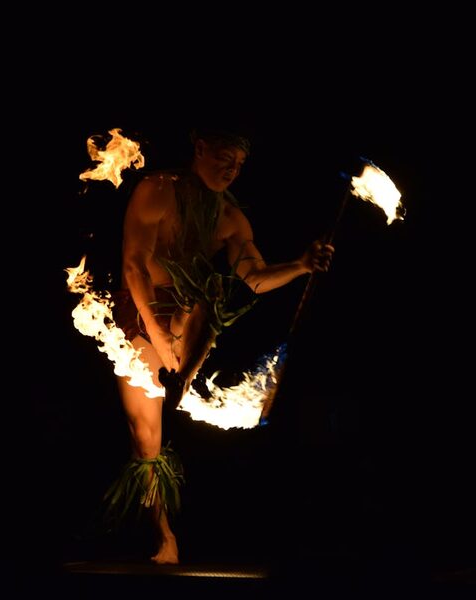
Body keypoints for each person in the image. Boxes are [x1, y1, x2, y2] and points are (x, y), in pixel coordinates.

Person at [105, 128, 334, 564]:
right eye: (224, 158)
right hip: (140, 311)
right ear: (200, 149)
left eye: (240, 165)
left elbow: (255, 277)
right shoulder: (157, 190)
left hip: (186, 321)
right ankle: (162, 535)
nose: (230, 170)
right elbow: (133, 267)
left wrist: (302, 265)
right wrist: (155, 336)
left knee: (211, 296)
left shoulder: (230, 218)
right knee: (145, 437)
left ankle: (183, 377)